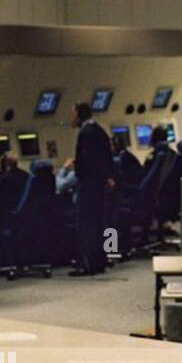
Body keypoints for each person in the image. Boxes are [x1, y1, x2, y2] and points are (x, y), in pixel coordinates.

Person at [70, 100, 113, 276]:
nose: (71, 119)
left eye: (72, 115)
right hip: (99, 186)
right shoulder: (100, 131)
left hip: (88, 186)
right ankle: (99, 261)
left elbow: (85, 163)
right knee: (98, 224)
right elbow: (107, 158)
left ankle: (87, 264)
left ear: (80, 115)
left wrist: (75, 170)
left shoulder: (85, 133)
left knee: (85, 225)